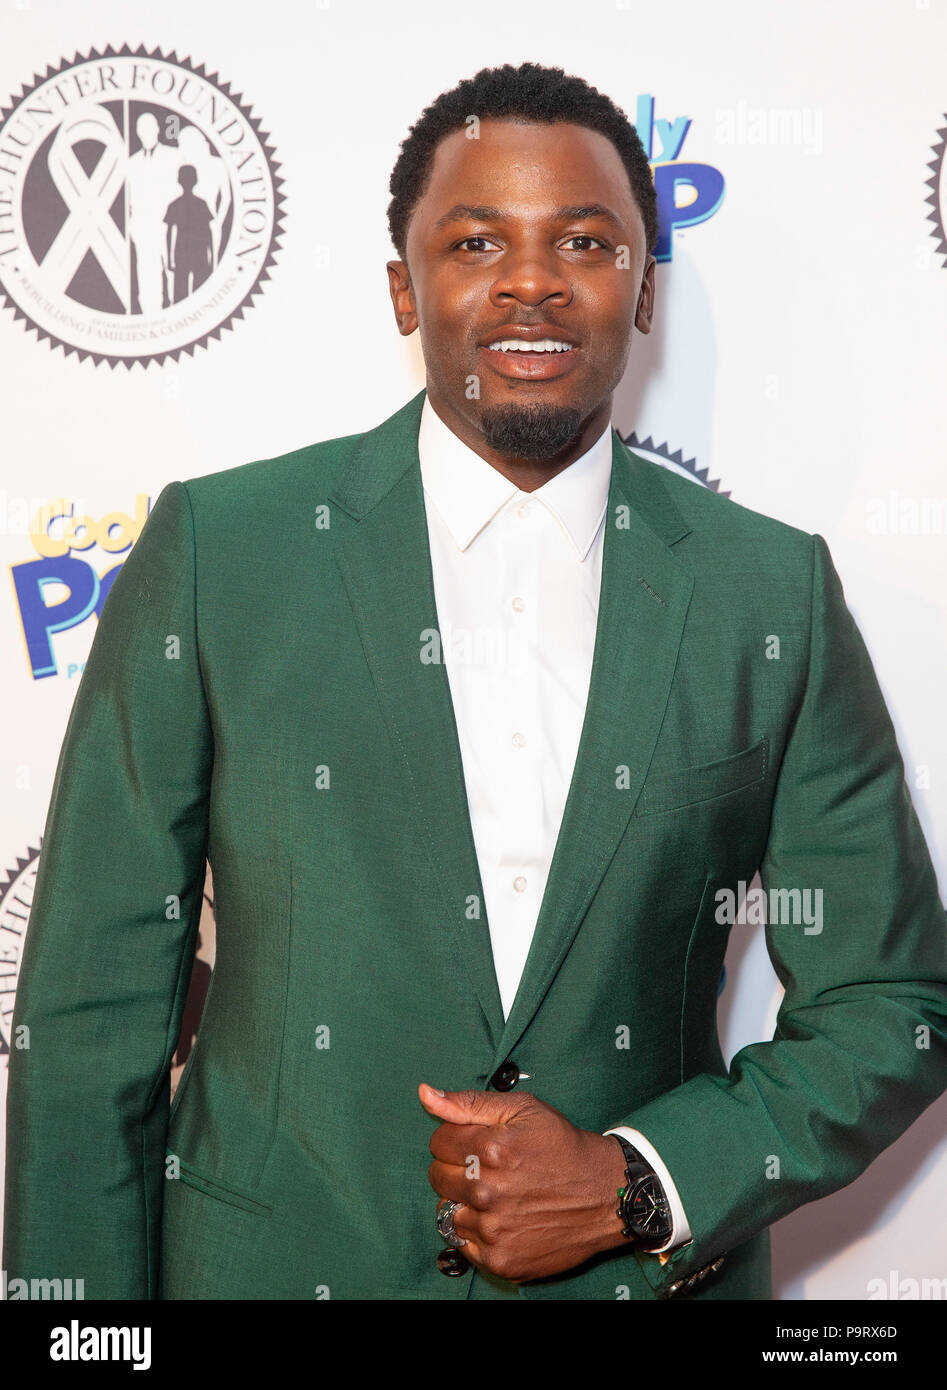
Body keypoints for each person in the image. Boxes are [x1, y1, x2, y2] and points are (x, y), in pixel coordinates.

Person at [4, 61, 946, 1302]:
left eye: (585, 241)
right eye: (474, 240)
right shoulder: (222, 554)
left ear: (642, 289)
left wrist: (635, 1180)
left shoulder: (765, 594)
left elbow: (890, 999)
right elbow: (90, 1014)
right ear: (405, 288)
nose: (531, 280)